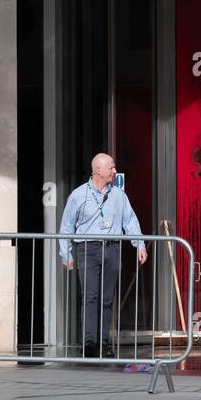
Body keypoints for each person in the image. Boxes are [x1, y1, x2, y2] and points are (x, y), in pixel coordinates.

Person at [58, 153, 147, 358]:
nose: (115, 171)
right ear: (98, 170)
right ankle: (89, 342)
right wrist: (66, 254)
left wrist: (139, 244)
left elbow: (130, 221)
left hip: (113, 248)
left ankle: (103, 342)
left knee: (107, 299)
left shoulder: (118, 195)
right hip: (88, 249)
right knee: (90, 296)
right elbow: (66, 227)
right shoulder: (79, 195)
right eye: (111, 168)